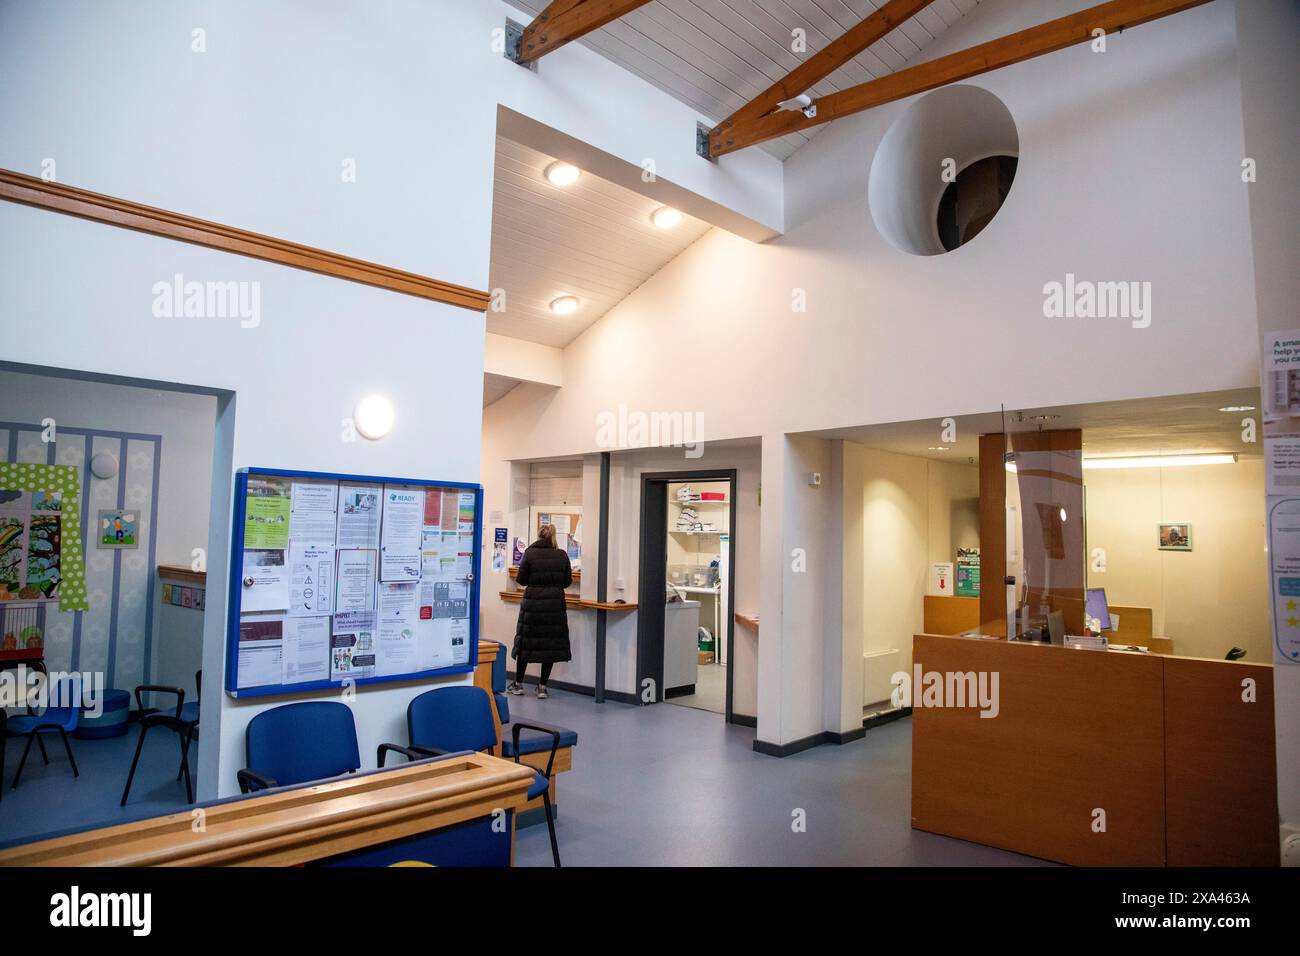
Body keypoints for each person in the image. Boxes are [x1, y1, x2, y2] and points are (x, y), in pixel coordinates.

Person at [507, 523, 572, 699]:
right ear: (554, 536)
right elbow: (567, 582)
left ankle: (518, 684)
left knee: (526, 643)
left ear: (538, 535)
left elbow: (521, 579)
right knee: (549, 645)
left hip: (533, 604)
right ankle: (542, 687)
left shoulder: (530, 553)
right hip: (554, 605)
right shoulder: (562, 555)